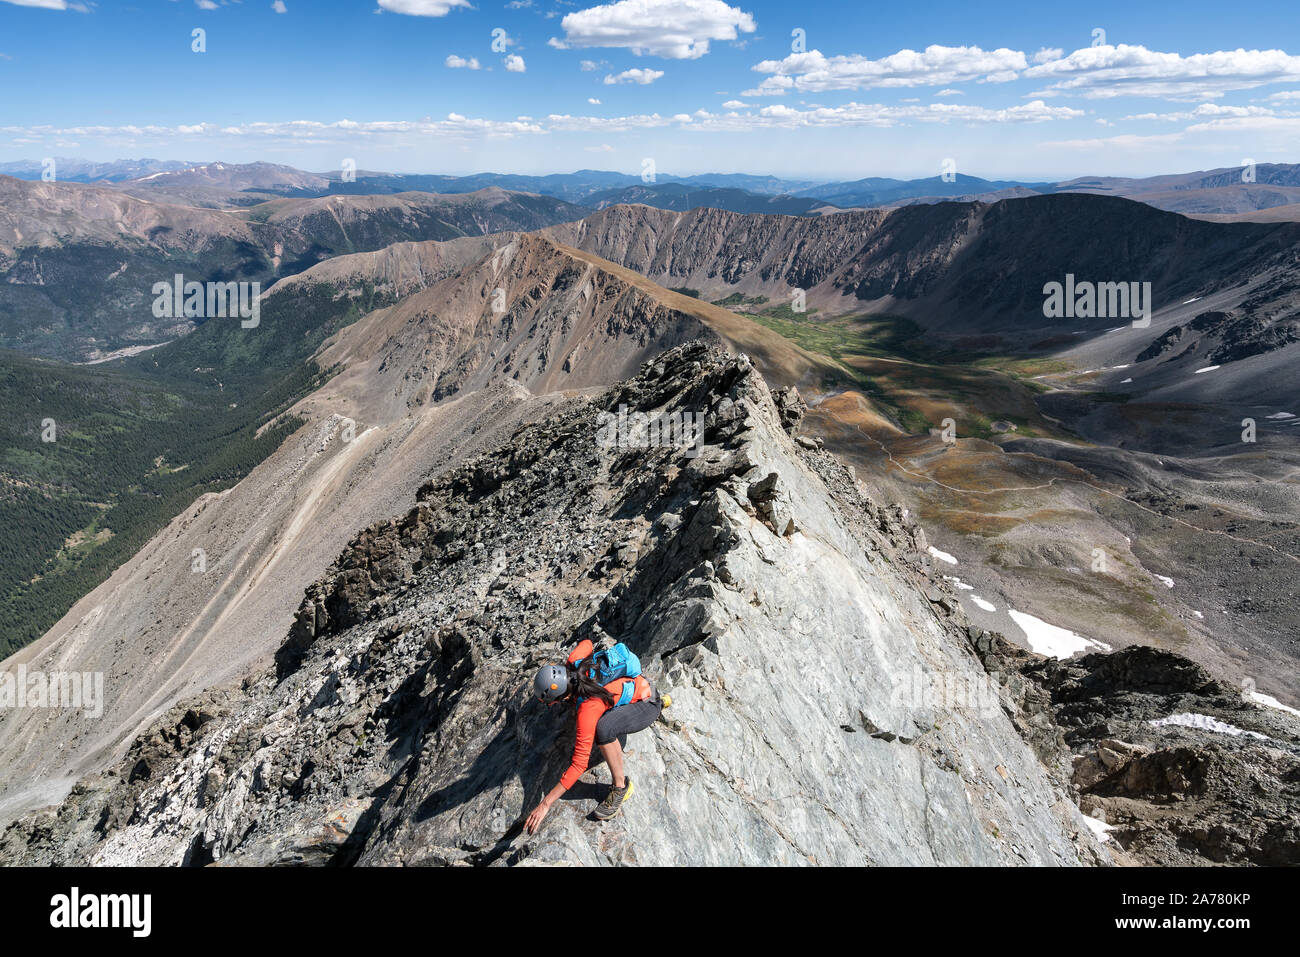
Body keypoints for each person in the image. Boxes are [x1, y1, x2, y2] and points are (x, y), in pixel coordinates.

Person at [525, 638, 668, 833]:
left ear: (564, 696)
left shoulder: (589, 707)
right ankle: (656, 698)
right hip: (641, 684)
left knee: (604, 728)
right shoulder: (574, 661)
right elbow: (587, 643)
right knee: (611, 706)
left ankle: (621, 787)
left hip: (647, 705)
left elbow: (579, 764)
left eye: (554, 702)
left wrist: (546, 803)